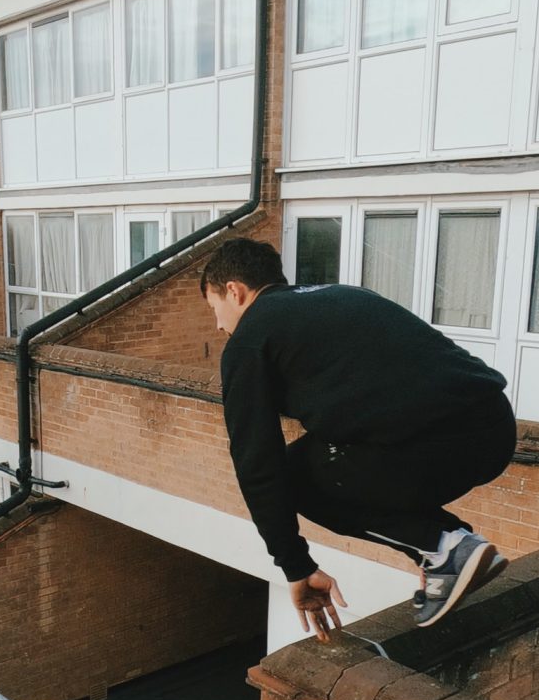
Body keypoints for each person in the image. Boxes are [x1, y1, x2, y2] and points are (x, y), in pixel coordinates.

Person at [201, 238, 516, 640]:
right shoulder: (343, 294)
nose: (219, 326)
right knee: (327, 448)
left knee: (296, 474)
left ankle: (445, 547)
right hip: (495, 427)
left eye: (215, 310)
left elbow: (257, 462)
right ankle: (448, 549)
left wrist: (295, 565)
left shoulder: (250, 339)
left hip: (434, 445)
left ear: (234, 291)